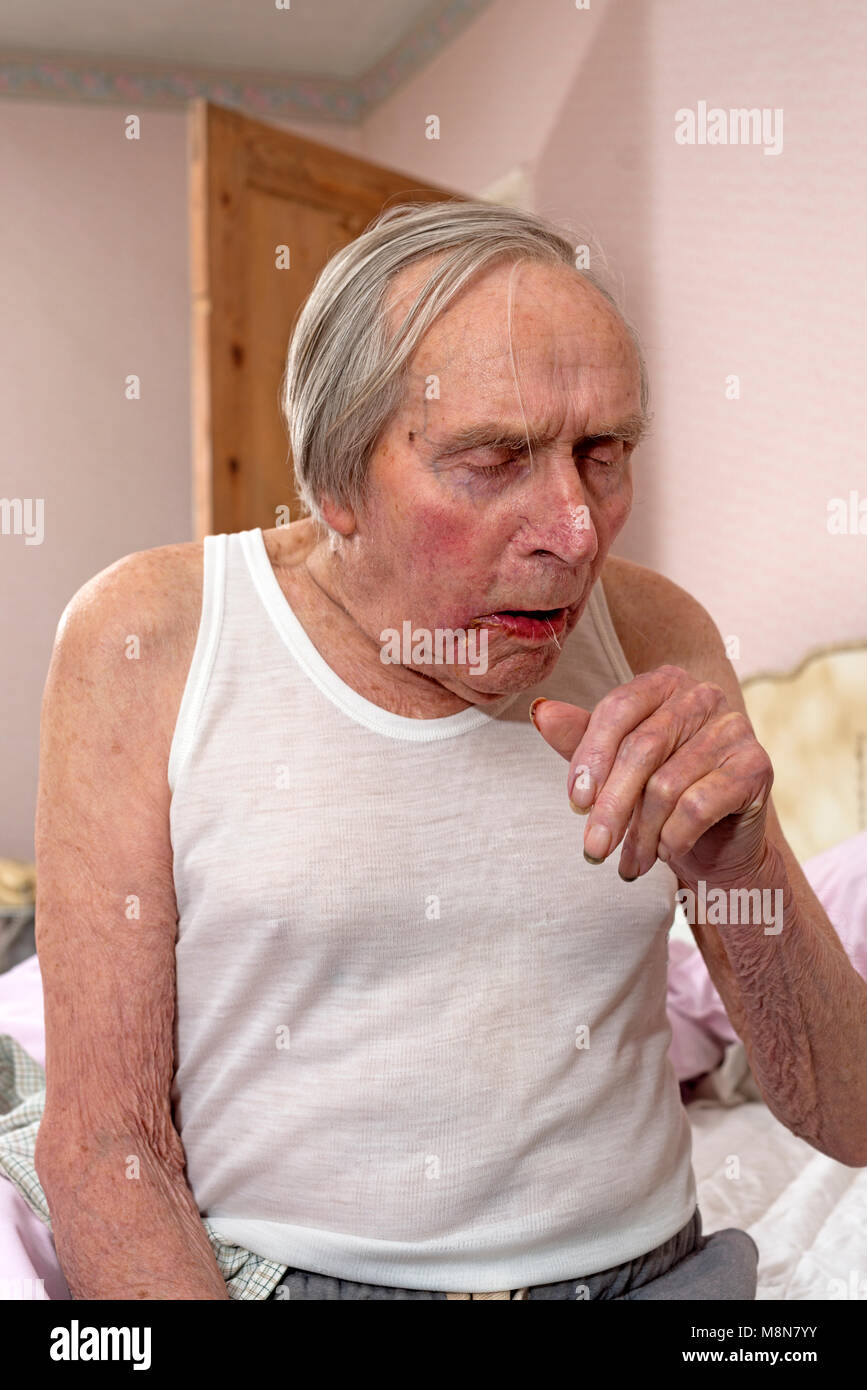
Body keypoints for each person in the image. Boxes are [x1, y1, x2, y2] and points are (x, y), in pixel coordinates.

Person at [33, 201, 866, 1301]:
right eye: (494, 458)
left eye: (603, 454)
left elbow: (846, 1115)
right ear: (336, 481)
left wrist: (743, 864)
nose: (574, 530)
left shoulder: (659, 634)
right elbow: (106, 1145)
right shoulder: (149, 634)